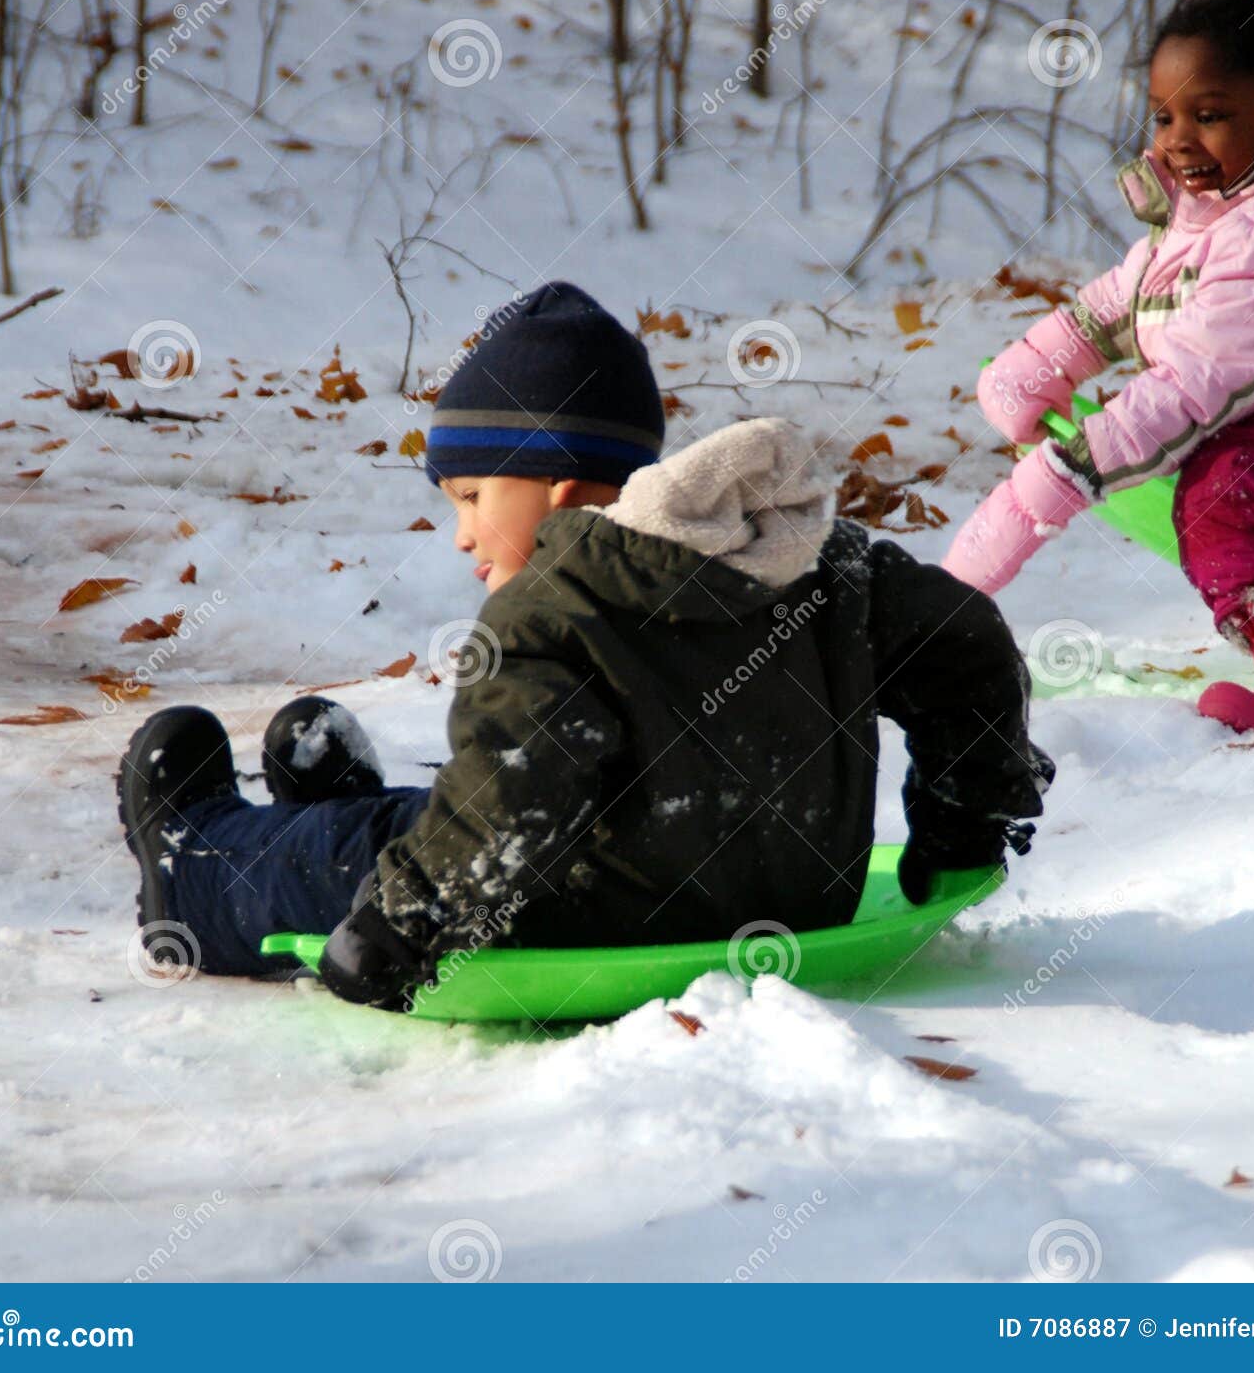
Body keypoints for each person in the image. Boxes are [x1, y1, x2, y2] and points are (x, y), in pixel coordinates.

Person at [118, 282, 1051, 1009]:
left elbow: (515, 805)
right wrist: (967, 819)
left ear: (560, 490)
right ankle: (358, 821)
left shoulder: (553, 611)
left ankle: (189, 867)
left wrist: (400, 931)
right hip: (796, 905)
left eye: (474, 497)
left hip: (567, 922)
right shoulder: (815, 569)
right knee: (445, 810)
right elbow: (963, 644)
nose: (461, 534)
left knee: (349, 853)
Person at [946, 0, 1254, 741]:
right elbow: (1135, 290)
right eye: (1163, 115)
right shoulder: (1234, 198)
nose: (1177, 139)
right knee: (1243, 462)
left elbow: (1186, 391)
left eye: (1208, 115)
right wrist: (1043, 361)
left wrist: (1029, 502)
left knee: (1236, 477)